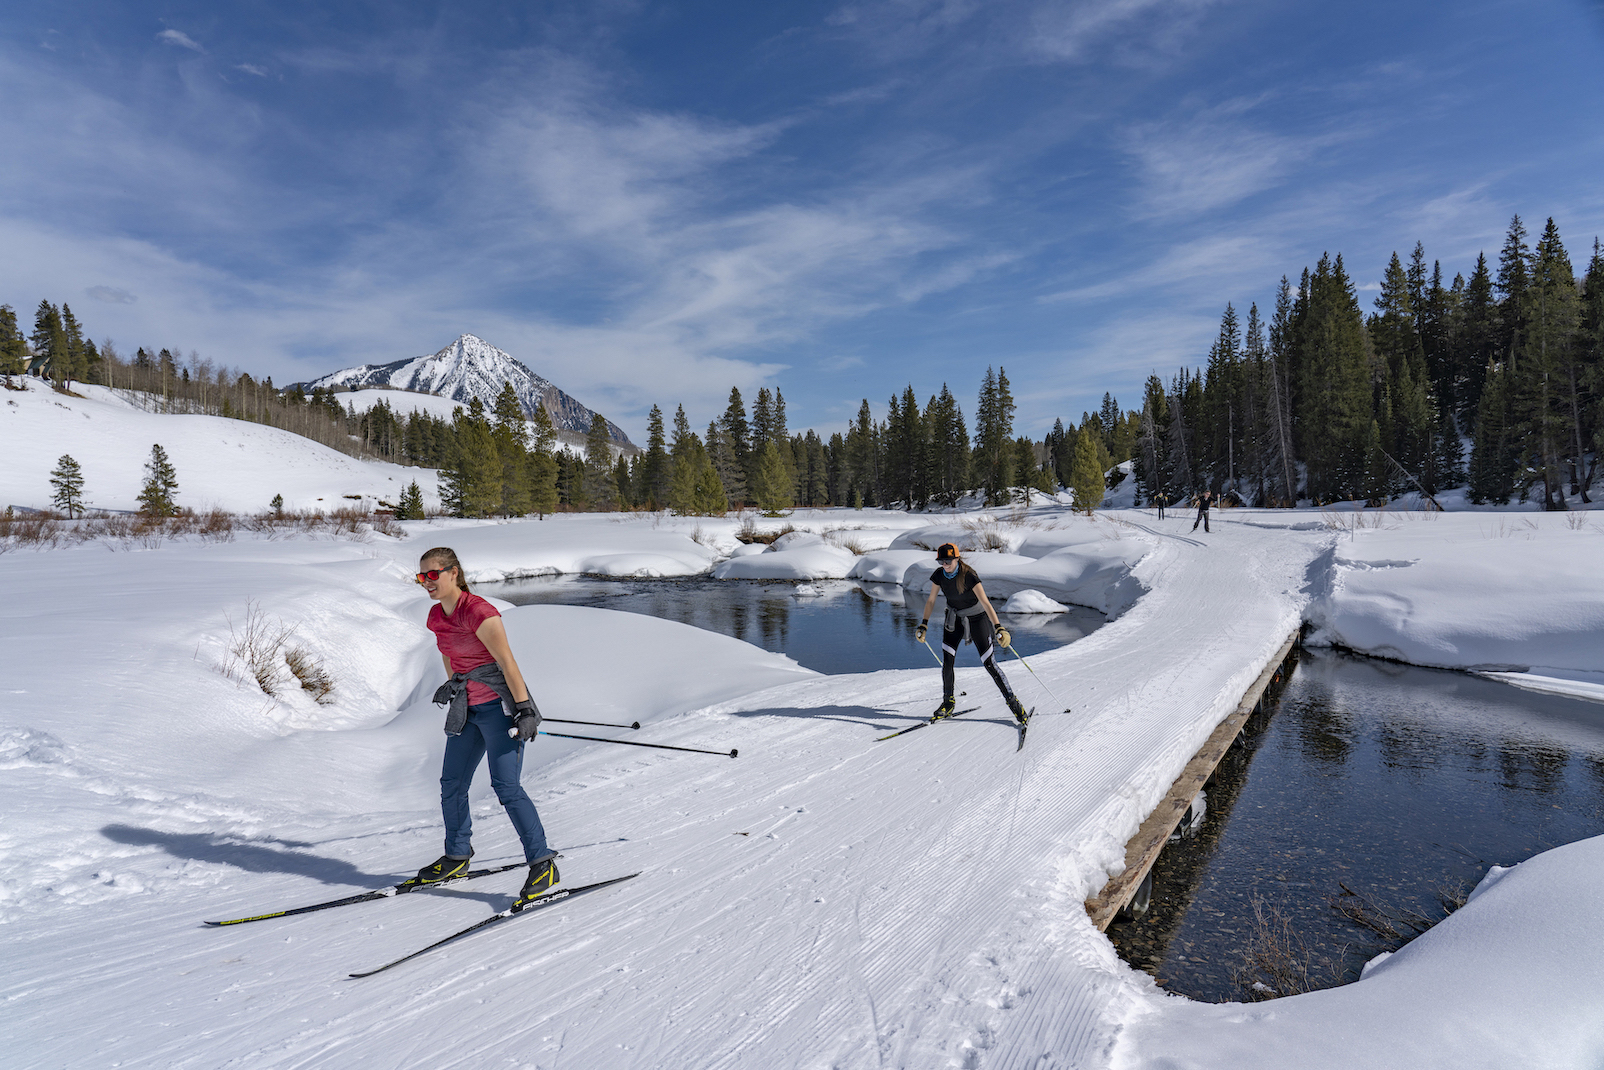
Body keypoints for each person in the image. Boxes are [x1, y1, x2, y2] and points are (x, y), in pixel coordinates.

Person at [414, 546, 557, 910]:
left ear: (453, 573)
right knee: (452, 784)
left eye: (433, 575)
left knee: (506, 787)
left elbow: (507, 662)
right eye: (422, 576)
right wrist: (453, 683)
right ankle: (457, 856)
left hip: (499, 708)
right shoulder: (435, 616)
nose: (427, 582)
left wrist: (524, 710)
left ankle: (543, 863)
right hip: (468, 710)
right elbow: (447, 652)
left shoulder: (479, 611)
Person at [914, 543, 1028, 724]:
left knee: (989, 663)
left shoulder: (969, 575)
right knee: (947, 661)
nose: (945, 564)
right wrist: (924, 624)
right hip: (954, 619)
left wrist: (998, 627)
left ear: (957, 558)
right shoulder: (939, 575)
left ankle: (1013, 703)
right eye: (941, 561)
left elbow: (985, 602)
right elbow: (931, 600)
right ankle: (948, 702)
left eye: (948, 560)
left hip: (977, 619)